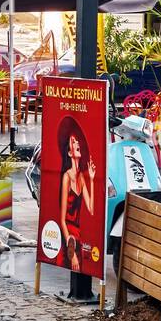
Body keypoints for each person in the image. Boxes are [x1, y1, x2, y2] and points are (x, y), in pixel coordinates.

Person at [58, 116, 97, 270]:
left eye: (77, 141)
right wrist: (71, 252)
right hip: (69, 238)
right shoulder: (66, 177)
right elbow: (62, 220)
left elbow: (91, 209)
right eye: (73, 142)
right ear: (69, 153)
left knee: (81, 269)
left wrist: (92, 180)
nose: (77, 143)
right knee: (74, 266)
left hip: (78, 237)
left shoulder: (81, 176)